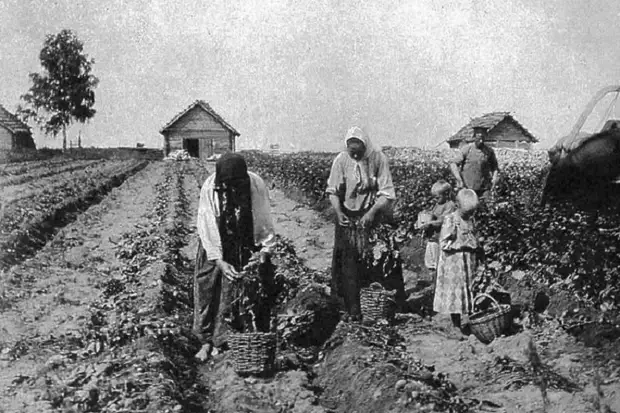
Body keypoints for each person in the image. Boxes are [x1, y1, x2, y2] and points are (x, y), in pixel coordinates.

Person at [193, 152, 276, 360]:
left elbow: (263, 219)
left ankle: (221, 341)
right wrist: (218, 260)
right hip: (212, 243)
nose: (232, 189)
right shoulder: (210, 187)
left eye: (236, 185)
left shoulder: (255, 185)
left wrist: (264, 251)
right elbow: (207, 225)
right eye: (228, 186)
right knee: (206, 287)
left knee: (231, 291)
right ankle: (204, 341)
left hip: (240, 241)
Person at [326, 126, 406, 320]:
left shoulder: (378, 159)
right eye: (351, 151)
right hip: (347, 215)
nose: (354, 155)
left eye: (357, 151)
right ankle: (352, 306)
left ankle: (381, 304)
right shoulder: (341, 160)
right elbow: (333, 191)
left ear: (364, 147)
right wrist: (338, 212)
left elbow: (386, 193)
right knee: (349, 261)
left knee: (377, 258)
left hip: (372, 212)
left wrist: (371, 214)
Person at [433, 188, 479, 337]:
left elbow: (474, 237)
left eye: (471, 212)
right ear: (458, 205)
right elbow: (444, 243)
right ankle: (456, 325)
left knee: (467, 290)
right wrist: (460, 245)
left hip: (466, 261)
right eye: (467, 212)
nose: (470, 215)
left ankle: (472, 320)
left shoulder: (470, 220)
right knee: (455, 292)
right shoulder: (450, 220)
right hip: (453, 262)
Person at [450, 126, 499, 201]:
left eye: (483, 138)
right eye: (479, 138)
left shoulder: (489, 151)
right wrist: (459, 179)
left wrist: (494, 177)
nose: (481, 141)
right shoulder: (467, 149)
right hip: (468, 188)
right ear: (474, 137)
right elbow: (453, 164)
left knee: (486, 208)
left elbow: (495, 166)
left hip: (484, 189)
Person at [418, 180, 456, 272]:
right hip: (434, 238)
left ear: (446, 194)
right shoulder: (438, 204)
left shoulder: (450, 205)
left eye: (437, 197)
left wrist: (430, 223)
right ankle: (433, 280)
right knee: (432, 261)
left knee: (440, 262)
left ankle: (439, 282)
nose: (435, 200)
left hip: (442, 238)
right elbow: (433, 215)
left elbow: (443, 220)